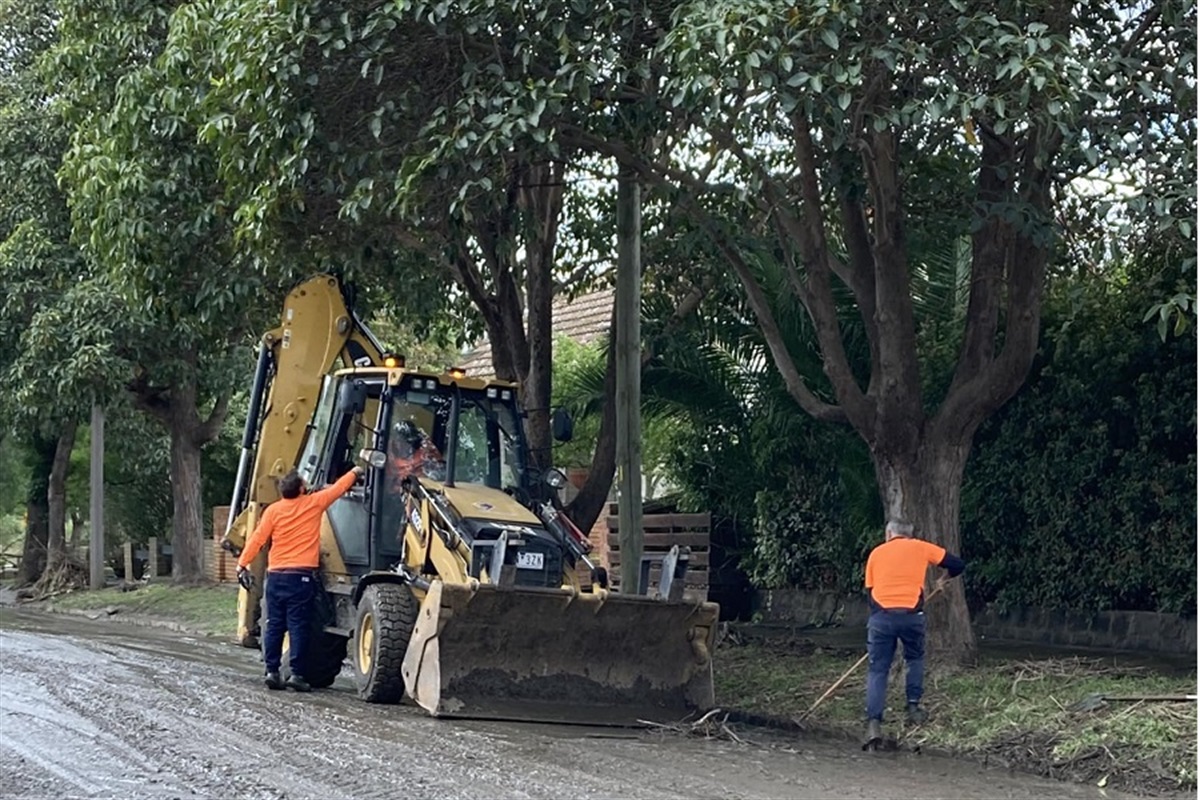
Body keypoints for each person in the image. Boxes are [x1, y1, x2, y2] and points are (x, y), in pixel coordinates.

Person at [236, 463, 363, 692]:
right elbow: (339, 488)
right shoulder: (313, 504)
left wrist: (242, 564)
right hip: (300, 577)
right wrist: (355, 471)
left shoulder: (272, 511)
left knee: (274, 624)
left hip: (275, 577)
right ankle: (296, 674)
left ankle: (272, 671)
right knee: (298, 626)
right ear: (302, 488)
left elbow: (257, 539)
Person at [862, 519, 965, 745]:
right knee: (915, 659)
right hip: (911, 617)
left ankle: (873, 724)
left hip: (881, 618)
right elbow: (957, 564)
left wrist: (881, 619)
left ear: (889, 533)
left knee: (877, 669)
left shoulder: (876, 554)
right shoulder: (921, 547)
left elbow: (870, 593)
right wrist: (942, 580)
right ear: (909, 534)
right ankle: (913, 707)